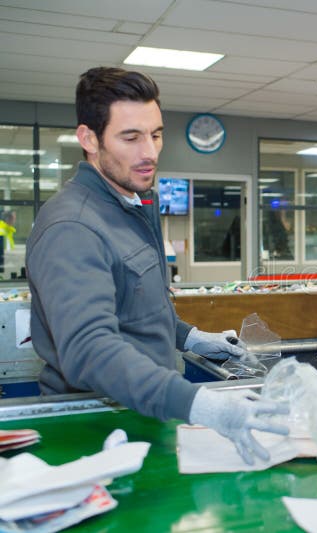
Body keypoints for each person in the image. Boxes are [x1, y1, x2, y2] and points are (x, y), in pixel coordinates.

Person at [25, 67, 287, 464]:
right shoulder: (72, 226)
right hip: (93, 432)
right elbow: (89, 349)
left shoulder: (135, 203)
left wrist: (190, 337)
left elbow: (135, 305)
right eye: (130, 137)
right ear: (89, 139)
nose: (149, 152)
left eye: (156, 134)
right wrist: (202, 405)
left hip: (146, 417)